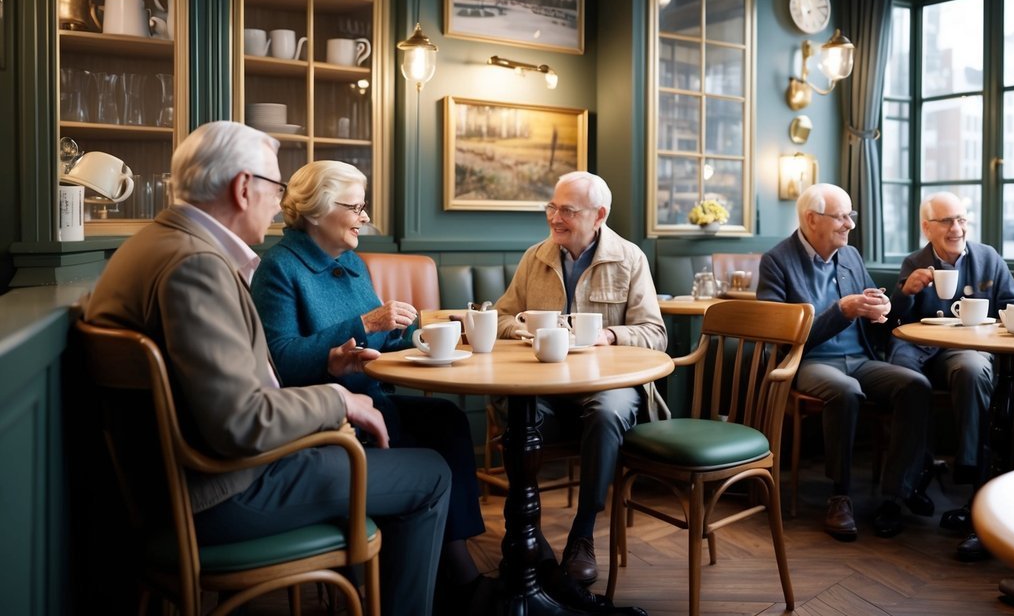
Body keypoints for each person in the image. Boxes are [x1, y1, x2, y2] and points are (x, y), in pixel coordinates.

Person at [82, 122, 450, 614]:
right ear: (243, 188)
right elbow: (240, 422)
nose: (280, 204)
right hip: (221, 493)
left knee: (418, 441)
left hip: (181, 482)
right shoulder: (196, 266)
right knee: (432, 474)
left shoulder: (156, 245)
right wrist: (341, 399)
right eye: (276, 189)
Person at [249, 160, 488, 608]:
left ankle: (453, 564)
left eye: (364, 207)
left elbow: (383, 339)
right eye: (356, 207)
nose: (364, 217)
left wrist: (421, 337)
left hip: (372, 400)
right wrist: (362, 322)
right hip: (326, 421)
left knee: (449, 420)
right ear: (318, 211)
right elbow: (281, 362)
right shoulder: (279, 269)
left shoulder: (353, 261)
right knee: (429, 451)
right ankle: (447, 579)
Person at [494, 171, 667, 587]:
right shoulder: (535, 257)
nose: (555, 217)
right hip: (547, 386)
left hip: (608, 388)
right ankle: (526, 533)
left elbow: (655, 334)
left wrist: (609, 335)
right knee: (513, 409)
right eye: (552, 207)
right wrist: (523, 330)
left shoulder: (630, 259)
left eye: (568, 210)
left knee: (607, 412)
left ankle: (582, 534)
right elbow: (501, 315)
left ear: (599, 215)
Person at [757, 183, 934, 543]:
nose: (850, 224)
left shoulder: (850, 256)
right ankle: (839, 496)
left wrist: (879, 306)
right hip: (807, 362)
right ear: (811, 219)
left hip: (860, 358)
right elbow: (780, 335)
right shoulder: (777, 261)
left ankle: (894, 494)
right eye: (841, 216)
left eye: (850, 215)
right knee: (846, 391)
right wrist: (842, 311)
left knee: (916, 386)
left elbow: (868, 298)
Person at [887, 191, 1014, 486]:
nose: (957, 229)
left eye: (962, 220)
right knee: (903, 377)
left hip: (966, 347)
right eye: (947, 221)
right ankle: (912, 476)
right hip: (916, 348)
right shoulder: (914, 261)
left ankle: (970, 465)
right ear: (927, 228)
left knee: (974, 370)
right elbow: (894, 317)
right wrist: (906, 291)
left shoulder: (988, 258)